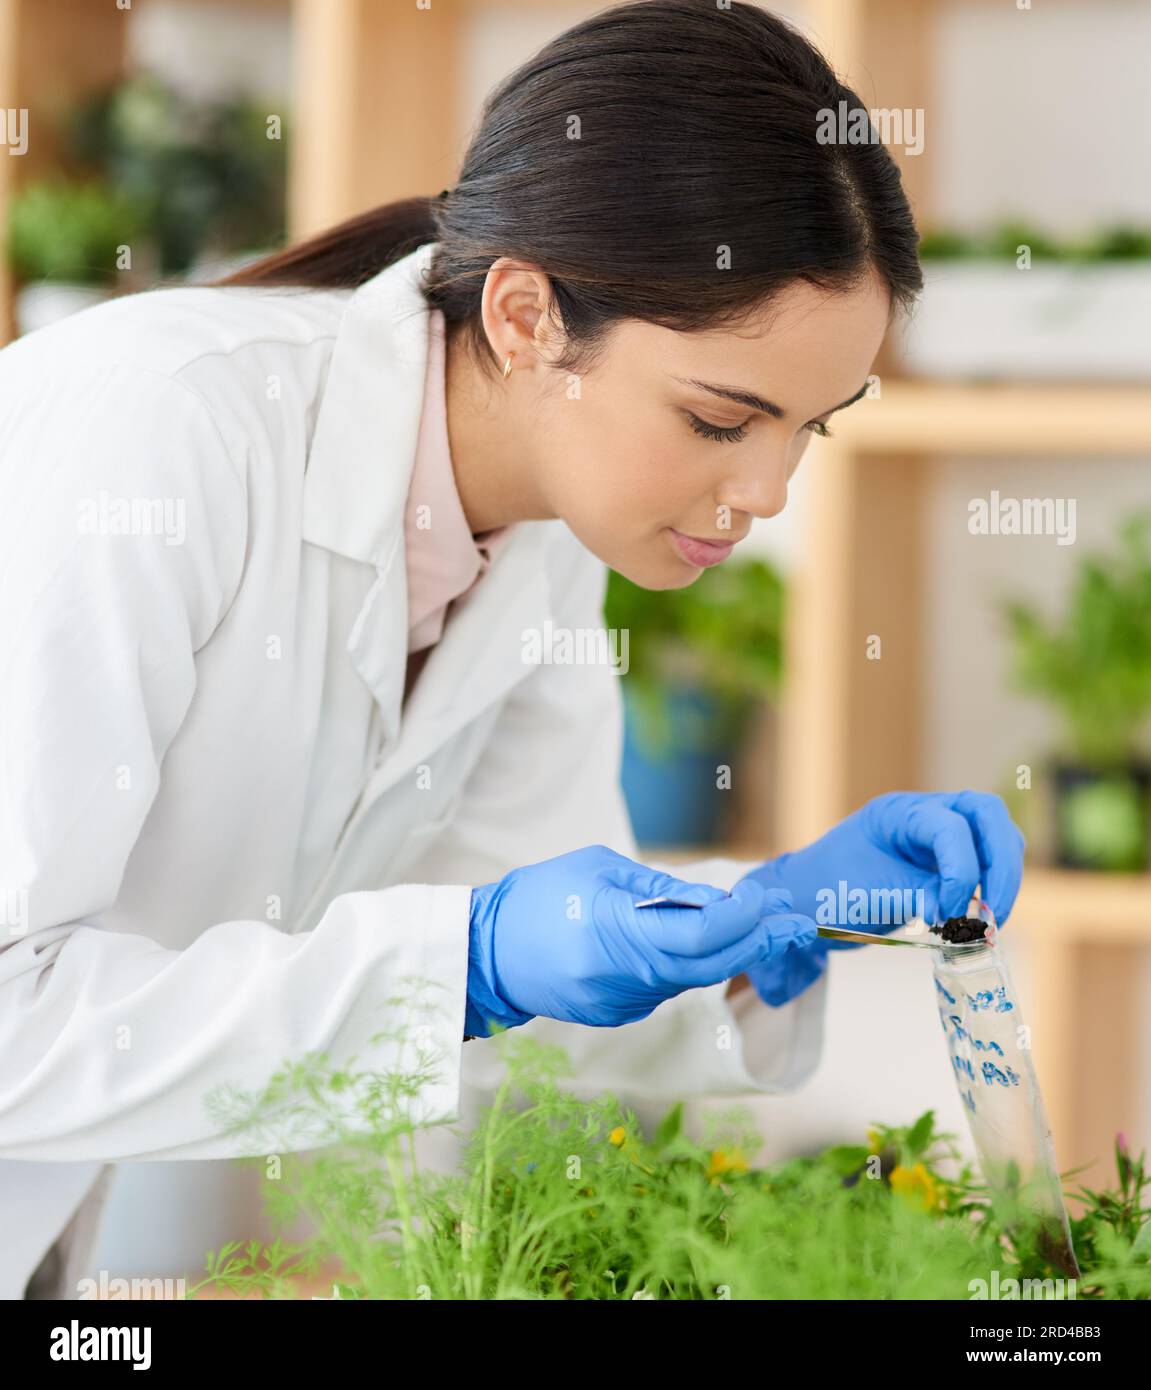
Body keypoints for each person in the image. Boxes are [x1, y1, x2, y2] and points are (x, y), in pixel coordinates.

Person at [0, 0, 1023, 1297]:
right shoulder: (149, 438)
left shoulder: (538, 547)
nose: (770, 491)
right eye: (722, 418)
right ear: (528, 316)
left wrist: (759, 932)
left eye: (811, 426)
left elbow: (531, 1010)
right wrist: (465, 958)